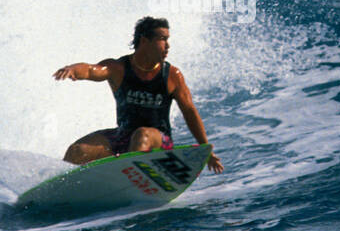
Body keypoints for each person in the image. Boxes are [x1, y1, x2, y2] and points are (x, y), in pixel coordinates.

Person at [53, 16, 224, 173]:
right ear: (144, 41)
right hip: (124, 137)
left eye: (168, 39)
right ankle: (67, 189)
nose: (168, 45)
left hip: (159, 142)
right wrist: (73, 69)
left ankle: (130, 179)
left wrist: (205, 148)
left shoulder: (172, 75)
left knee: (142, 135)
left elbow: (189, 111)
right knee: (78, 151)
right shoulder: (119, 68)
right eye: (162, 39)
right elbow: (91, 70)